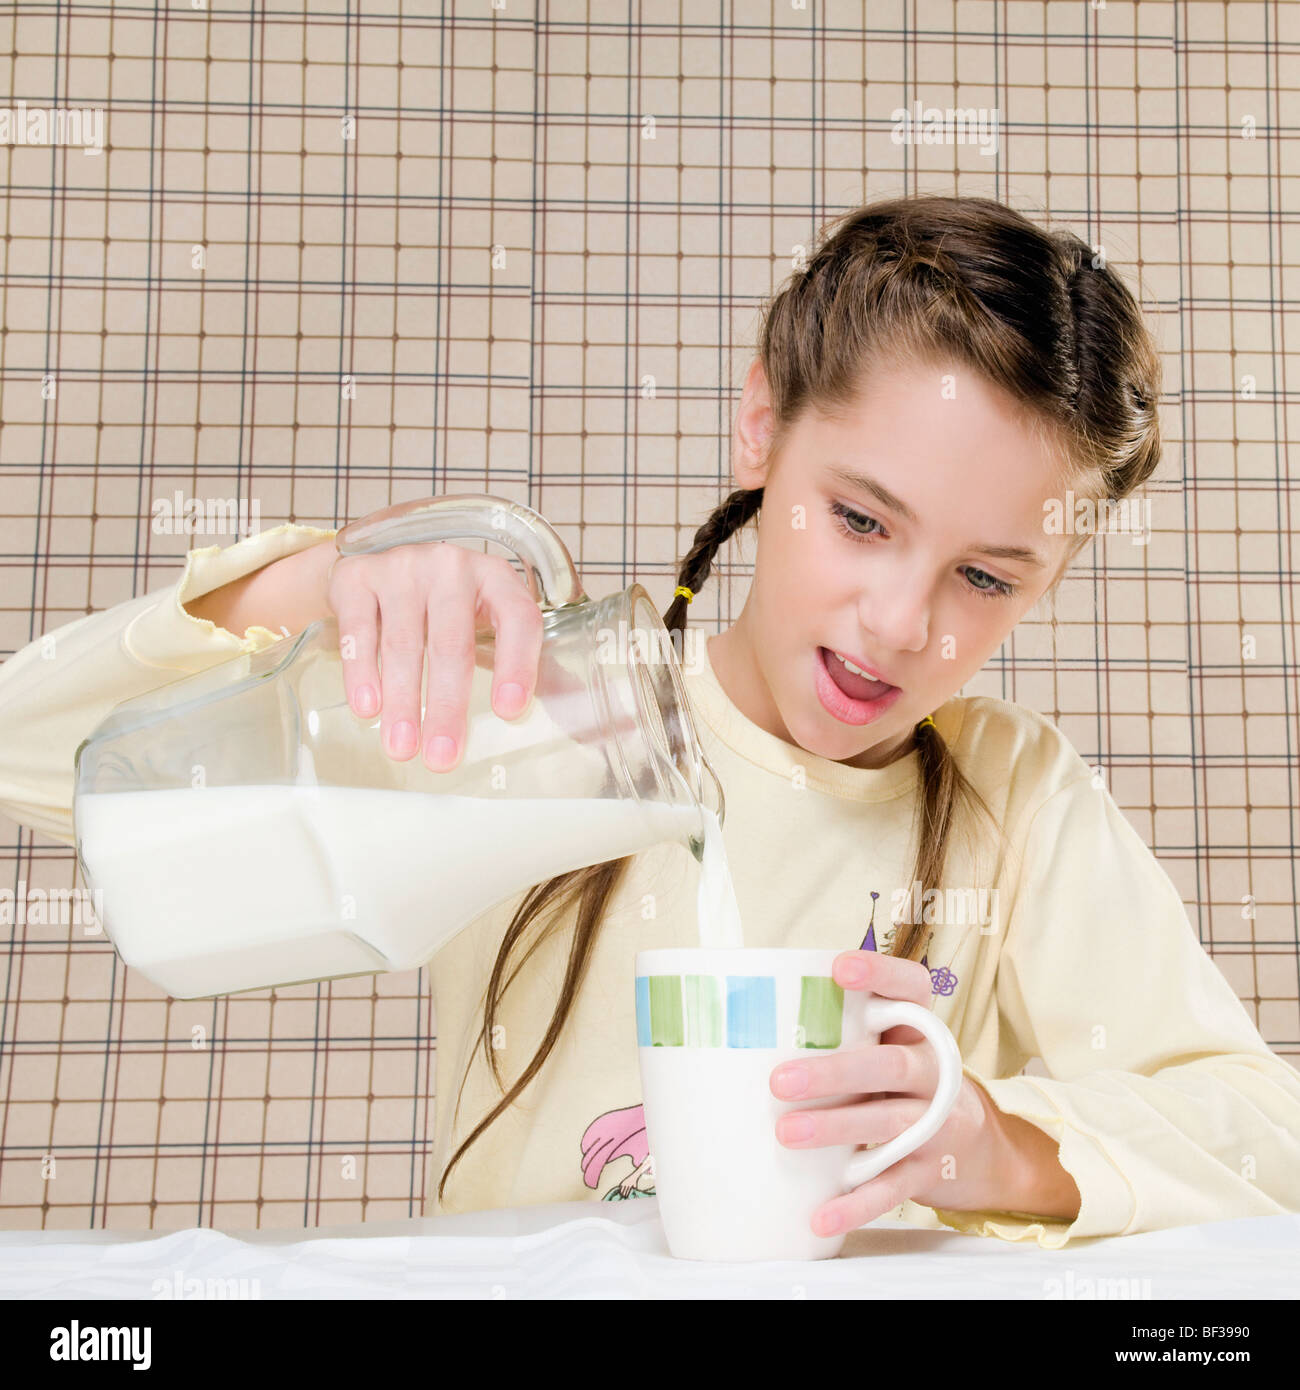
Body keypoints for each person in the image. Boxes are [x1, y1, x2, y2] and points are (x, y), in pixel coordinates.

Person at [2, 194, 1297, 1247]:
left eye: (987, 577)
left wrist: (987, 1139)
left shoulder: (1017, 800)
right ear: (760, 427)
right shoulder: (536, 710)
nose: (904, 621)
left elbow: (1263, 1133)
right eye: (860, 519)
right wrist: (308, 594)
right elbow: (26, 751)